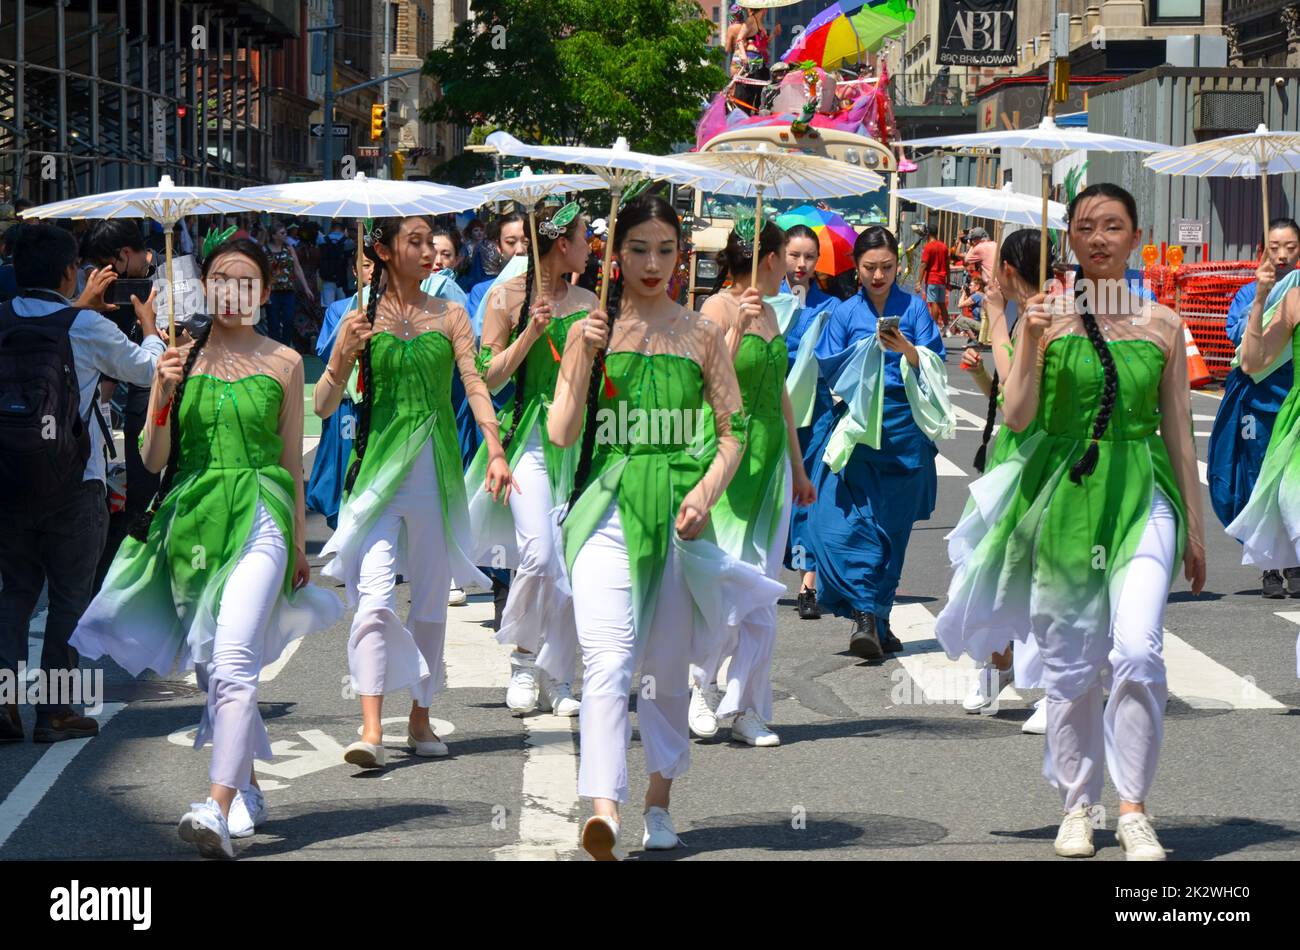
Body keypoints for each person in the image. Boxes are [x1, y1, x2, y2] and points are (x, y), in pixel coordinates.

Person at [937, 183, 1206, 861]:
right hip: (1064, 498)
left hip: (1142, 495)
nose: (1098, 238)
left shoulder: (1165, 323)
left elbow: (1178, 433)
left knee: (1138, 650)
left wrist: (1196, 529)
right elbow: (1020, 416)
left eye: (1113, 226)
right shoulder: (1045, 317)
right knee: (1072, 667)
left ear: (1136, 238)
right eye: (1085, 227)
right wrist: (1024, 339)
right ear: (1070, 241)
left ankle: (1135, 808)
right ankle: (1077, 803)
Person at [71, 238, 341, 857]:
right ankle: (246, 785)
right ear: (205, 287)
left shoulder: (284, 362)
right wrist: (160, 398)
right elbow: (151, 460)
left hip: (262, 517)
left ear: (264, 294)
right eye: (221, 279)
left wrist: (299, 544)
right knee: (212, 668)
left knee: (237, 657)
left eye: (246, 282)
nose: (232, 292)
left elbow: (288, 461)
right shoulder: (179, 358)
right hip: (191, 523)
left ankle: (214, 807)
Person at [548, 192, 779, 859]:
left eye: (666, 249)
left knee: (666, 670)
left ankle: (657, 802)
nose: (653, 262)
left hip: (680, 516)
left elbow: (733, 431)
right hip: (607, 509)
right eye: (638, 248)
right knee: (608, 661)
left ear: (682, 257)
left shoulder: (701, 333)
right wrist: (578, 356)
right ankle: (603, 808)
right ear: (614, 256)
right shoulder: (588, 327)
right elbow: (564, 433)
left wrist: (707, 492)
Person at [314, 216, 513, 771]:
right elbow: (324, 406)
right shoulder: (358, 317)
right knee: (374, 599)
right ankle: (372, 726)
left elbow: (476, 384)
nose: (430, 252)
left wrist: (495, 450)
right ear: (382, 250)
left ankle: (421, 716)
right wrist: (341, 357)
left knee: (429, 602)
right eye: (416, 242)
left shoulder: (450, 314)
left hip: (438, 472)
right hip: (379, 476)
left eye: (433, 243)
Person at [0, 223, 165, 745]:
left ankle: (2, 706)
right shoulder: (85, 327)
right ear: (72, 271)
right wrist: (152, 327)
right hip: (76, 480)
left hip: (8, 480)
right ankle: (55, 712)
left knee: (15, 593)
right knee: (71, 596)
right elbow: (149, 371)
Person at [688, 219, 817, 747]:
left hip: (772, 460)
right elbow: (706, 379)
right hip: (728, 450)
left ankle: (745, 706)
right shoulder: (715, 308)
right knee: (727, 582)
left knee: (763, 588)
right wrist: (736, 328)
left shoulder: (773, 312)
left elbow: (782, 393)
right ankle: (699, 687)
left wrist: (799, 464)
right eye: (786, 255)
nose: (792, 266)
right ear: (765, 257)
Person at [465, 201, 596, 716]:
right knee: (540, 554)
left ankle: (560, 674)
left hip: (585, 441)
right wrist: (530, 334)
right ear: (562, 244)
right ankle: (523, 663)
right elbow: (488, 376)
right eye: (585, 237)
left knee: (572, 561)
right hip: (530, 442)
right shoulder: (506, 296)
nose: (590, 247)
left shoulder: (591, 299)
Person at [802, 226, 952, 660]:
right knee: (843, 523)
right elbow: (828, 367)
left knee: (893, 528)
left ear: (897, 267)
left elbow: (936, 362)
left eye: (887, 267)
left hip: (905, 428)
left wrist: (906, 348)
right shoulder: (846, 313)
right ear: (857, 268)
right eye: (870, 267)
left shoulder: (916, 307)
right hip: (859, 426)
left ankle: (878, 618)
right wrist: (861, 357)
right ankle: (864, 613)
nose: (879, 275)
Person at [952, 228, 1053, 736]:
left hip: (1040, 457)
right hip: (1013, 456)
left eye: (995, 271)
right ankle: (994, 661)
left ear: (1010, 272)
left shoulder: (1047, 315)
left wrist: (993, 322)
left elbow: (1019, 402)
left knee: (1034, 571)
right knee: (991, 562)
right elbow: (1010, 396)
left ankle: (1044, 683)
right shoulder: (1026, 314)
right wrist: (979, 379)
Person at [1209, 218, 1300, 598]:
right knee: (1263, 484)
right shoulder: (1257, 293)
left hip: (1286, 400)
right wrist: (1262, 300)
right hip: (1262, 403)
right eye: (1274, 246)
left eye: (1290, 246)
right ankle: (1270, 567)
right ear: (1261, 249)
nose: (1282, 254)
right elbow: (1246, 354)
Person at [79, 219, 165, 590]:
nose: (100, 273)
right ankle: (133, 580)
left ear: (125, 254)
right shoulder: (99, 289)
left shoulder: (175, 273)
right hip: (132, 399)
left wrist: (169, 331)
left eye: (106, 264)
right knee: (140, 495)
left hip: (166, 390)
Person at [780, 224, 840, 622]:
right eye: (794, 255)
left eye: (809, 257)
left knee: (807, 498)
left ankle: (807, 584)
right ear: (780, 256)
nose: (802, 264)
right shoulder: (763, 300)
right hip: (768, 409)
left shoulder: (829, 307)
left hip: (814, 414)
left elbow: (837, 360)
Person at [264, 222, 314, 346]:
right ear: (274, 235)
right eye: (282, 233)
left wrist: (306, 287)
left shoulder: (289, 248)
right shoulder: (265, 250)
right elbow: (261, 270)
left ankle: (285, 346)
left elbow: (297, 268)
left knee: (289, 319)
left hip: (288, 290)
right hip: (272, 291)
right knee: (273, 322)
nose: (285, 235)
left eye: (285, 232)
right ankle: (273, 347)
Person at [916, 224, 950, 333]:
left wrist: (918, 282)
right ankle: (947, 327)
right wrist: (948, 280)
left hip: (932, 278)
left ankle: (934, 326)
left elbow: (923, 265)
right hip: (942, 279)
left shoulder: (928, 247)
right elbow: (947, 265)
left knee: (933, 302)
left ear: (928, 234)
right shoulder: (944, 246)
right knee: (942, 303)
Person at [318, 219, 356, 309]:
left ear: (331, 227)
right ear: (344, 228)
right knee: (343, 307)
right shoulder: (348, 243)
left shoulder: (322, 240)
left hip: (326, 278)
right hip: (342, 279)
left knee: (327, 307)